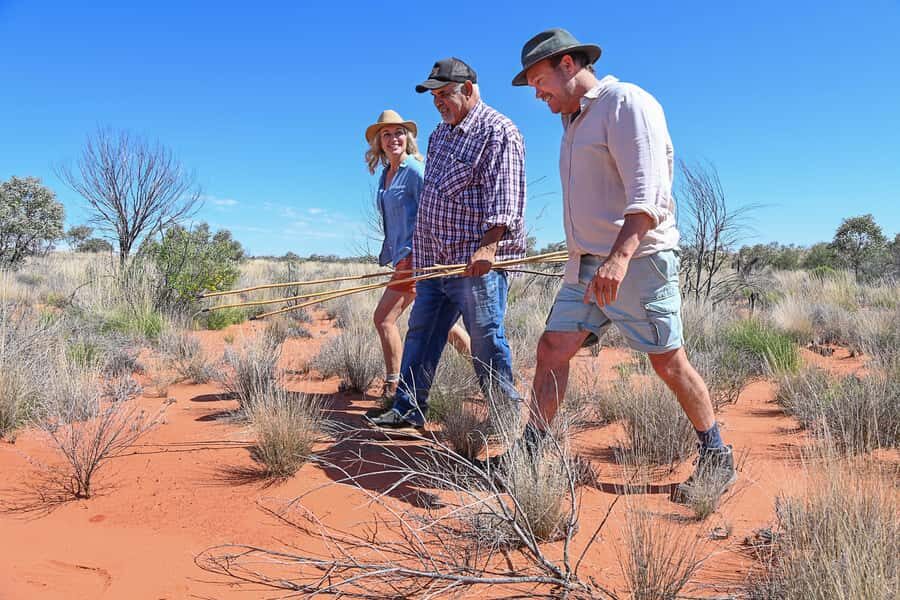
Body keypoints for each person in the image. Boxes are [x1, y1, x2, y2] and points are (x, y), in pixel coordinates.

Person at [511, 28, 736, 502]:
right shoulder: (573, 121)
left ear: (568, 64)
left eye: (539, 81)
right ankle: (527, 455)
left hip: (637, 260)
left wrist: (618, 258)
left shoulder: (625, 103)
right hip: (585, 264)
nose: (537, 94)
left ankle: (717, 454)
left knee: (667, 362)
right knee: (552, 348)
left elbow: (649, 192)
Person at [366, 57, 527, 432]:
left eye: (444, 94)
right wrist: (419, 259)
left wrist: (488, 248)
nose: (438, 102)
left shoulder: (498, 131)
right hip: (433, 263)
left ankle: (506, 422)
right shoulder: (440, 135)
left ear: (468, 89)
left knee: (486, 341)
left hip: (474, 265)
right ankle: (407, 408)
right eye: (433, 96)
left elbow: (505, 199)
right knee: (421, 333)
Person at [364, 109, 471, 402]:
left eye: (398, 133)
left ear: (407, 138)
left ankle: (394, 385)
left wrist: (435, 250)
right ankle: (485, 370)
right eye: (386, 134)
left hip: (417, 256)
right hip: (403, 257)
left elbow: (437, 207)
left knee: (384, 319)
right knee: (442, 323)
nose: (393, 139)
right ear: (379, 142)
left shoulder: (414, 170)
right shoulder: (387, 175)